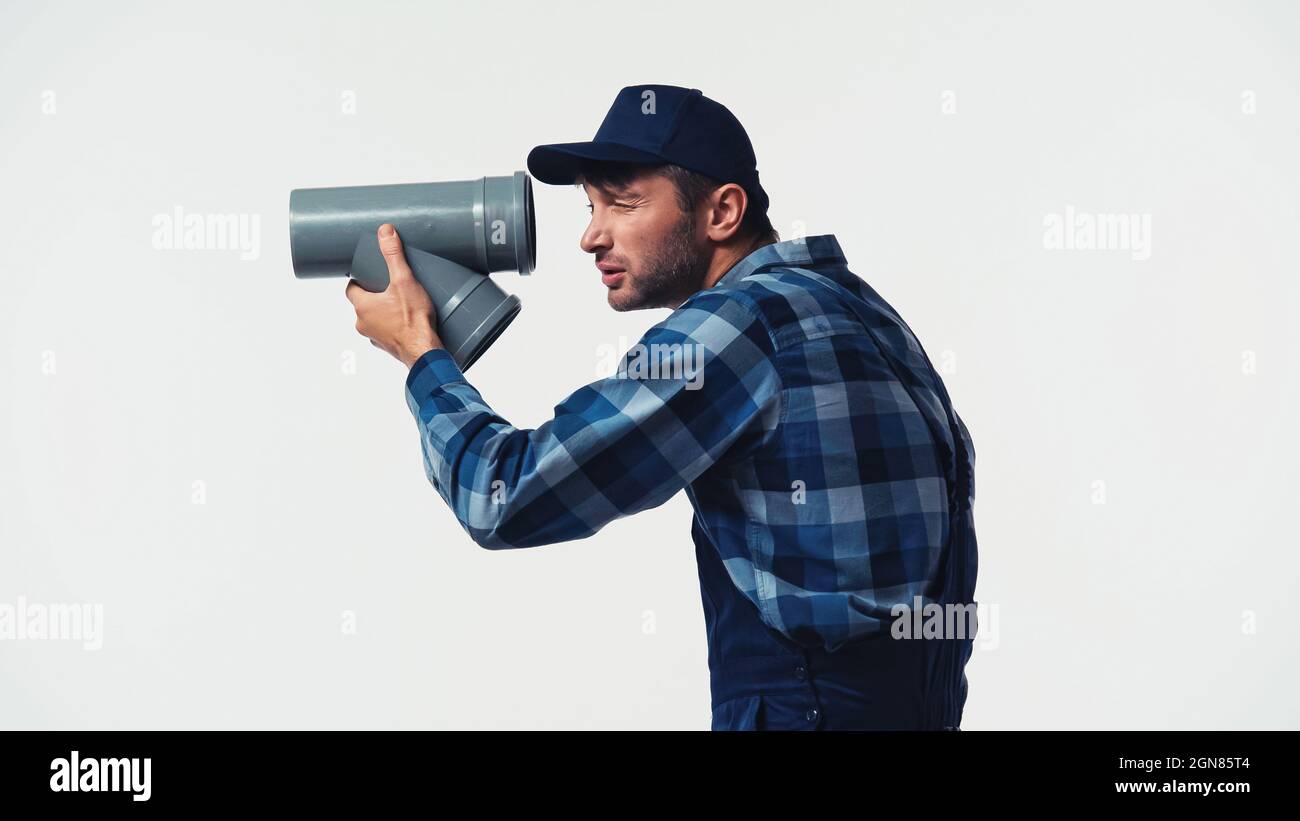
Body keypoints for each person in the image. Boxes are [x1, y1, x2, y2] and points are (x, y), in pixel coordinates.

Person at [345, 84, 979, 730]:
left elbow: (501, 493)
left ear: (723, 212)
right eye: (590, 206)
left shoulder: (737, 326)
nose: (591, 236)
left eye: (622, 202)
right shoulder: (864, 310)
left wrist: (422, 356)